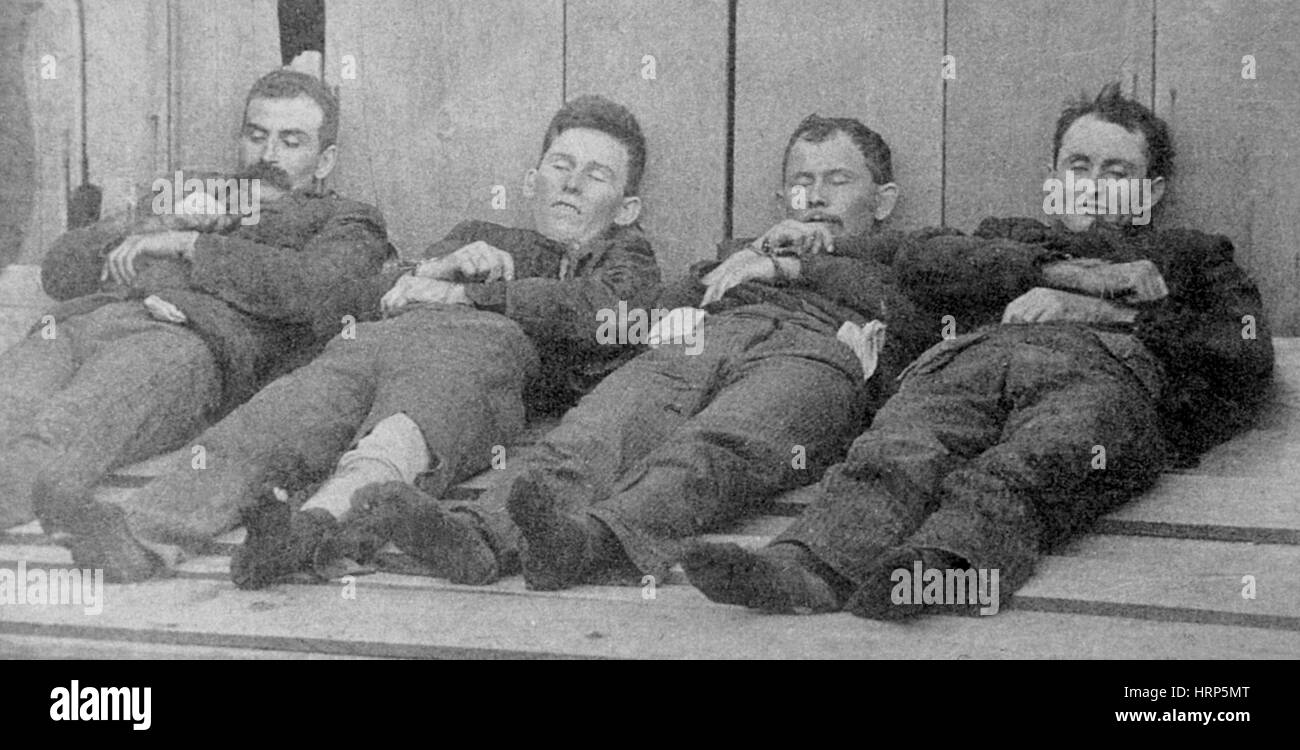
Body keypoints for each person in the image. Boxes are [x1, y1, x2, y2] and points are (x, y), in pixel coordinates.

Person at [685, 83, 1274, 619]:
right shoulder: (1007, 237)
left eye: (1116, 170)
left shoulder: (1192, 254)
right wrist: (788, 257)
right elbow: (916, 263)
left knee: (1041, 455)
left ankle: (944, 566)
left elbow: (1241, 353)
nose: (1091, 184)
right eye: (1077, 165)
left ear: (1154, 189)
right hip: (972, 361)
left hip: (1103, 374)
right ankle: (805, 568)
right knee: (901, 443)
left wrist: (1105, 311)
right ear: (1053, 176)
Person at [37, 95, 660, 589]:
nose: (571, 185)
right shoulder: (475, 232)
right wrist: (427, 273)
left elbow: (611, 312)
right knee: (268, 422)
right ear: (533, 178)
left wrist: (474, 294)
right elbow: (369, 291)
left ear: (626, 207)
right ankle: (142, 536)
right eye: (560, 166)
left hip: (480, 359)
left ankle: (312, 532)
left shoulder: (623, 255)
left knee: (408, 425)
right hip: (371, 344)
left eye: (595, 175)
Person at [372, 114, 945, 591]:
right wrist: (689, 299)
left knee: (720, 443)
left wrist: (805, 264)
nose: (815, 195)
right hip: (710, 335)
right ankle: (479, 533)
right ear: (781, 197)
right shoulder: (734, 257)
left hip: (817, 354)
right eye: (801, 182)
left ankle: (598, 541)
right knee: (602, 422)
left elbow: (913, 321)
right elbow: (644, 310)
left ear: (884, 200)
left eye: (837, 180)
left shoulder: (911, 258)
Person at [2, 68, 391, 531]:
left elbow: (315, 291)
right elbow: (60, 271)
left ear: (324, 161)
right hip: (80, 324)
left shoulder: (346, 220)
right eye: (256, 135)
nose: (267, 155)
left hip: (185, 345)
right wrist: (151, 224)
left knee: (53, 438)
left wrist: (189, 245)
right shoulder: (191, 190)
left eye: (291, 142)